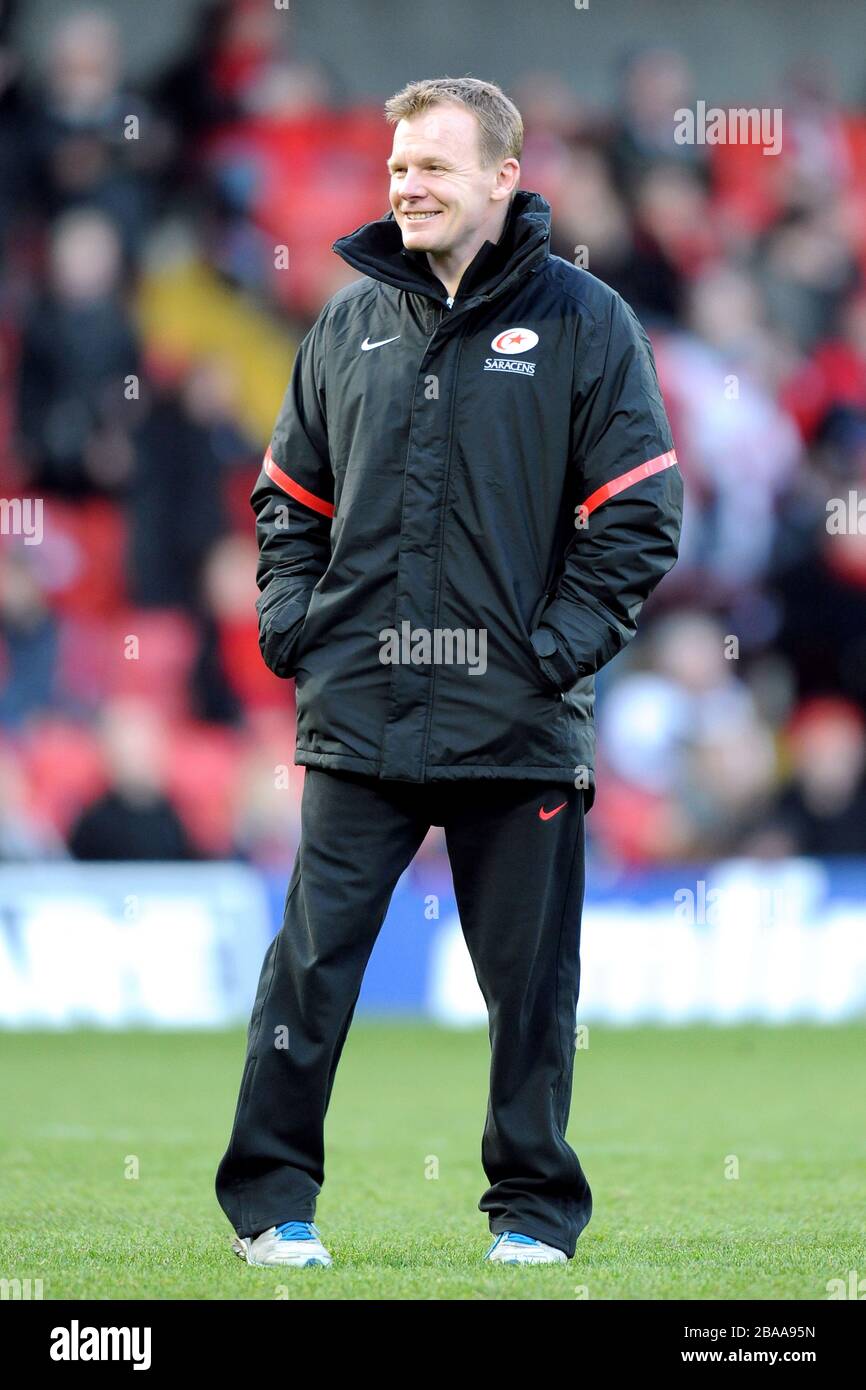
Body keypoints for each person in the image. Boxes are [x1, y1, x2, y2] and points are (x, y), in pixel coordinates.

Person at [215, 76, 683, 1269]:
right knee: (306, 979)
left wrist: (549, 654)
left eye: (429, 167)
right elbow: (290, 499)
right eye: (394, 168)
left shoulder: (587, 322)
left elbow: (636, 515)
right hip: (357, 713)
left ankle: (530, 1217)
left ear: (500, 179)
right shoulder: (344, 321)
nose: (405, 187)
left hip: (513, 719)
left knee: (528, 995)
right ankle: (272, 1209)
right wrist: (291, 624)